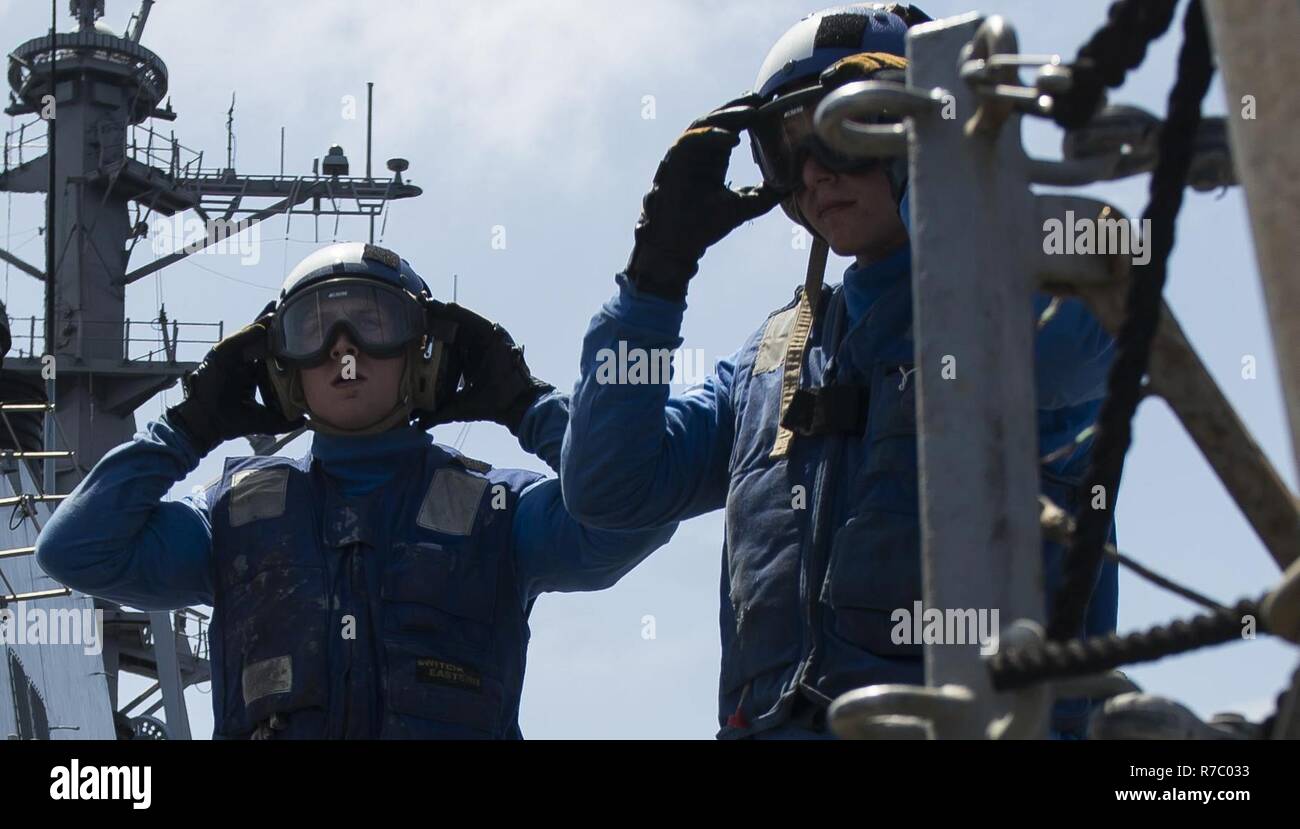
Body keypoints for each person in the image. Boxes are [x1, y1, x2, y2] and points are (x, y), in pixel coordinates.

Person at [560, 3, 1119, 738]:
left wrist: (940, 171)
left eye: (851, 129)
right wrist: (653, 282)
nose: (817, 173)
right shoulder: (768, 364)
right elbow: (608, 487)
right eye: (788, 147)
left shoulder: (1048, 287)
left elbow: (1066, 328)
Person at [36, 241, 676, 739]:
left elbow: (633, 511)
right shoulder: (226, 519)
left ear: (422, 355)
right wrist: (185, 429)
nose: (347, 352)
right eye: (314, 330)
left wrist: (528, 406)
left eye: (375, 322)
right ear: (283, 369)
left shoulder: (500, 510)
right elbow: (76, 550)